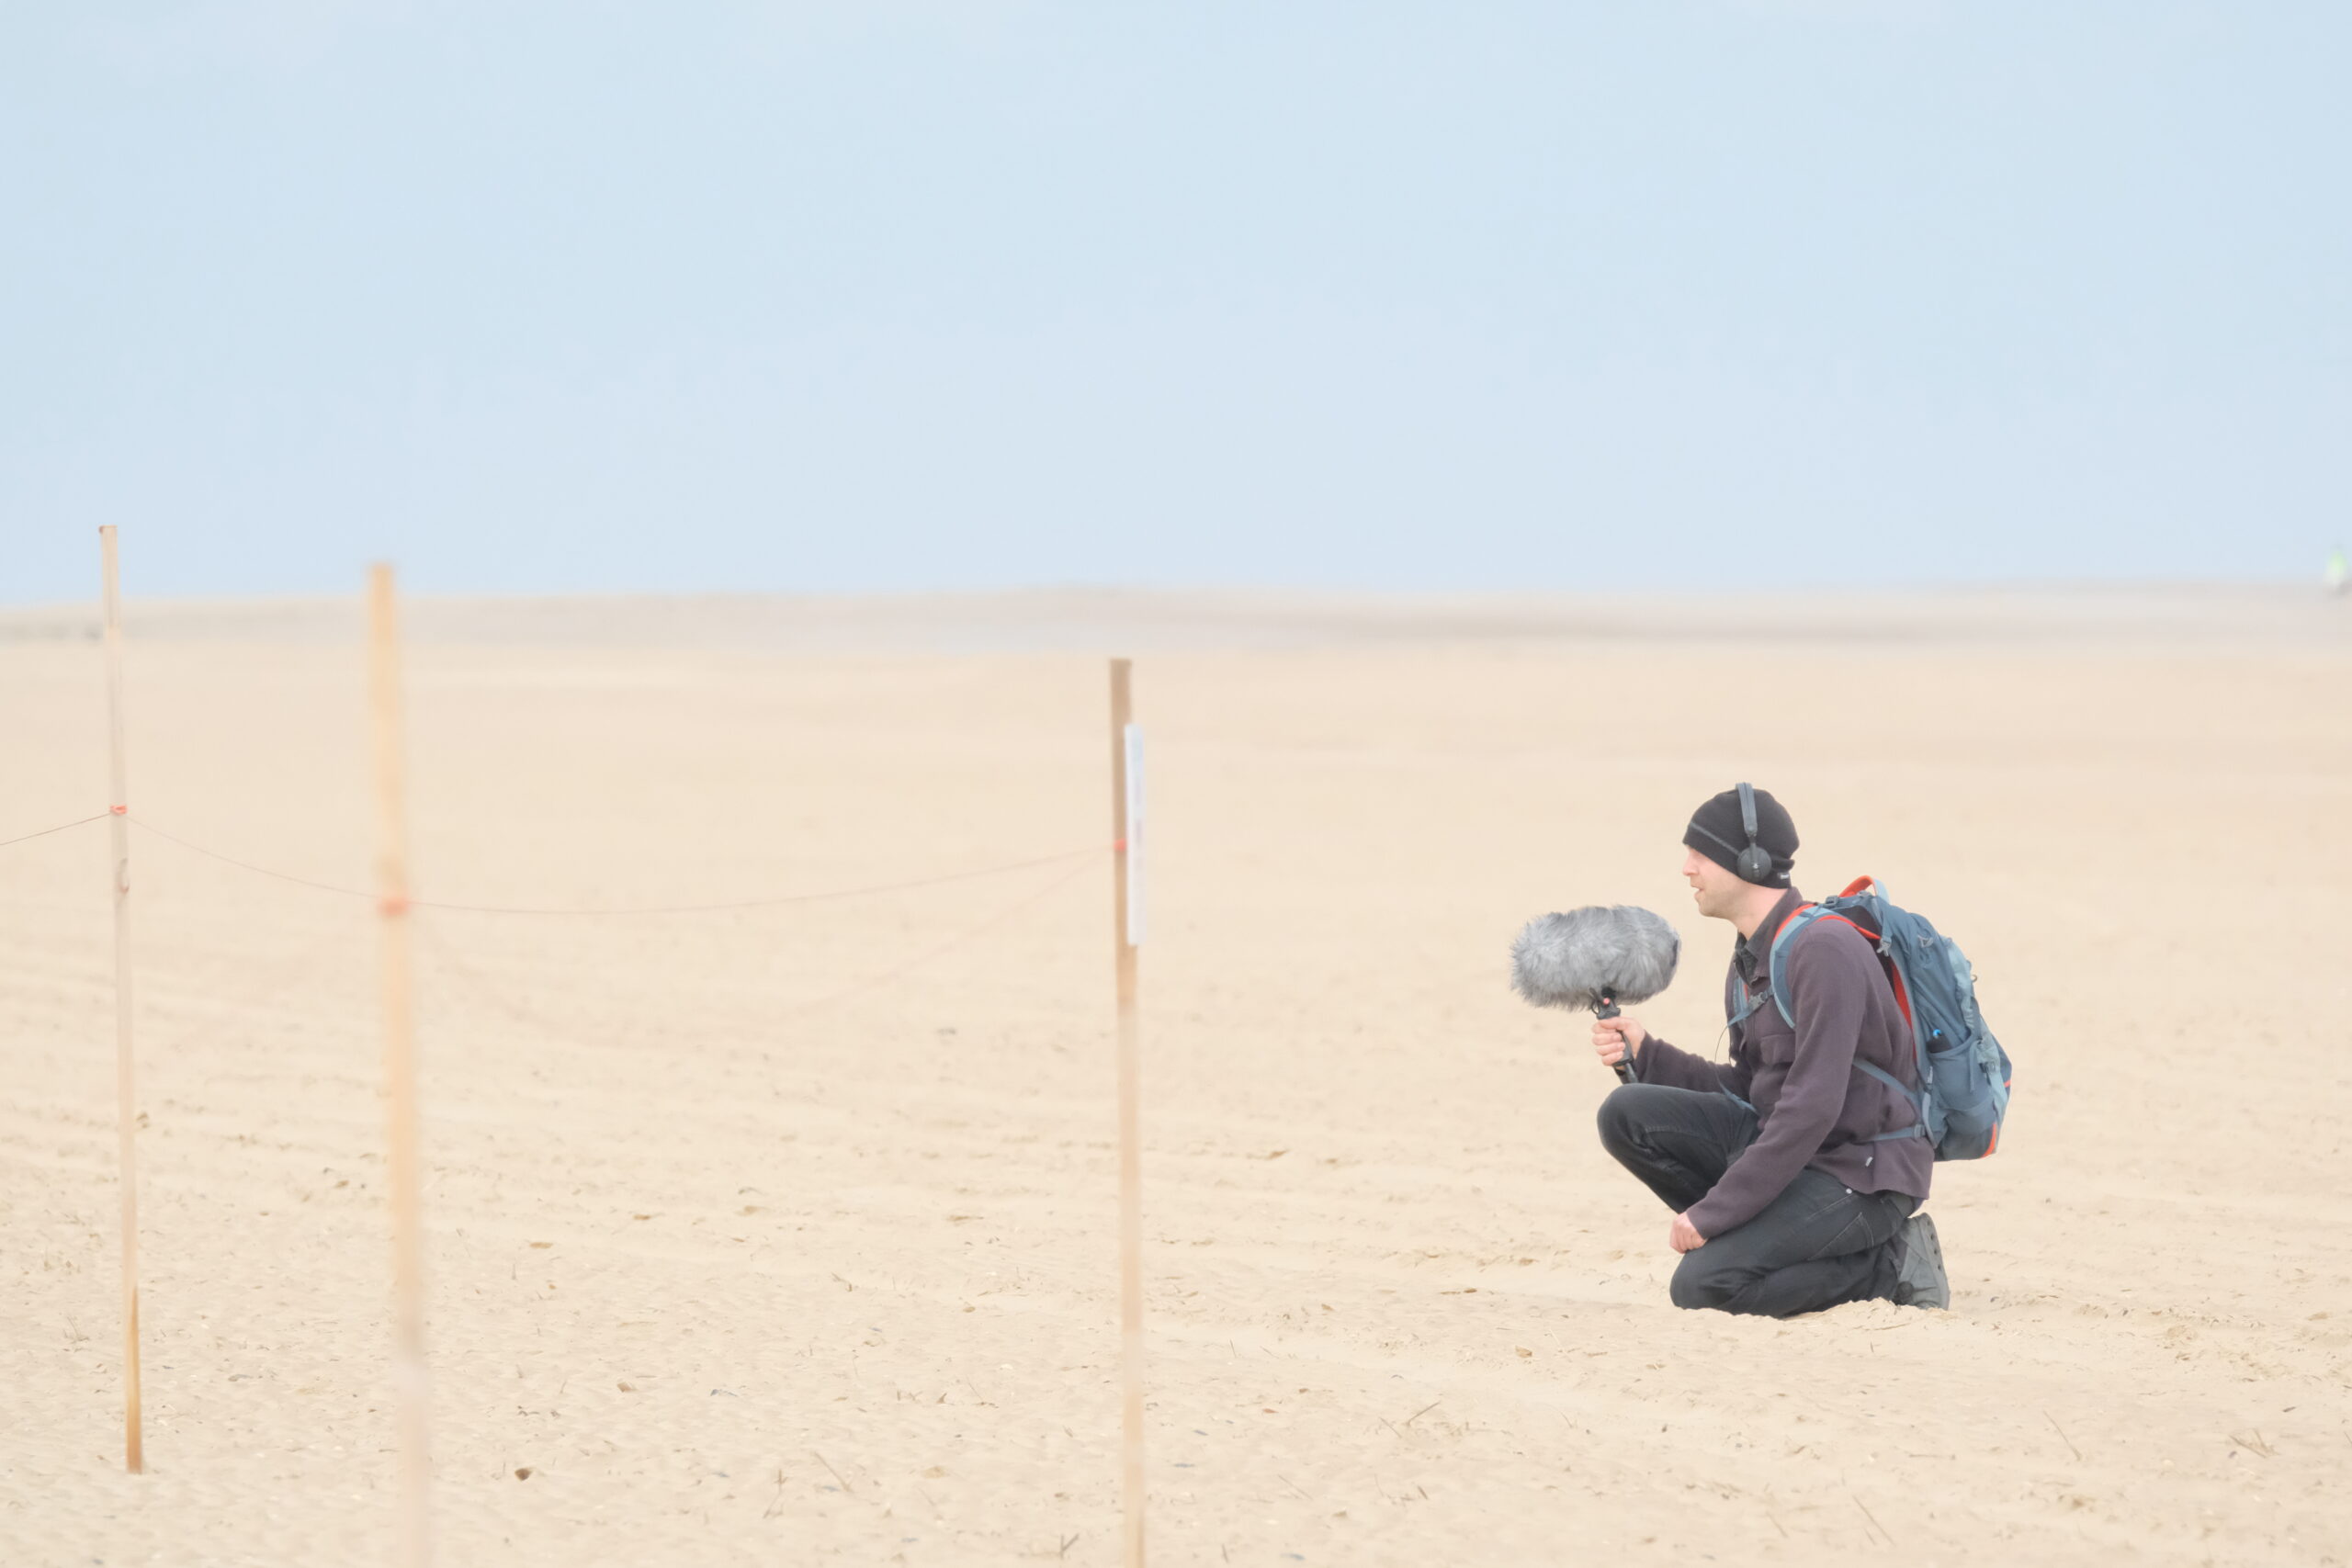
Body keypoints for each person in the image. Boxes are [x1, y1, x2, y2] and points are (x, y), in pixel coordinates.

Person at [1590, 784, 1950, 1315]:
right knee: (1626, 1115)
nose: (1687, 869)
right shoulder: (1753, 957)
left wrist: (1712, 1215)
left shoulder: (1824, 950)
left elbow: (1810, 1108)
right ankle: (1755, 1241)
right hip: (1804, 1157)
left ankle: (1891, 1263)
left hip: (1860, 1175)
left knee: (1702, 1288)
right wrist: (1647, 1054)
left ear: (1750, 861)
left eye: (1700, 854)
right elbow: (1751, 1090)